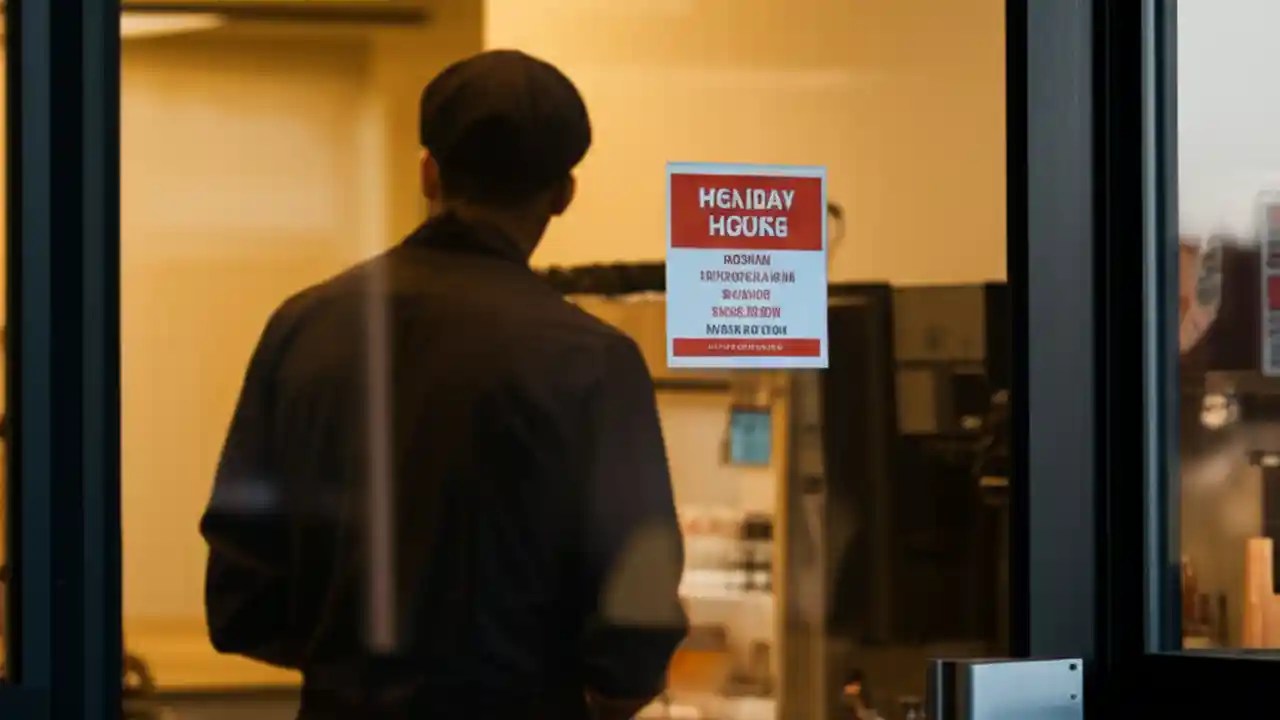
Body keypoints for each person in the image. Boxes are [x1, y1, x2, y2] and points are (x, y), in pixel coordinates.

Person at [199, 49, 688, 720]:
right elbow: (636, 617)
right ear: (564, 193)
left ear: (429, 171)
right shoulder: (593, 360)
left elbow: (242, 602)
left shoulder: (304, 326)